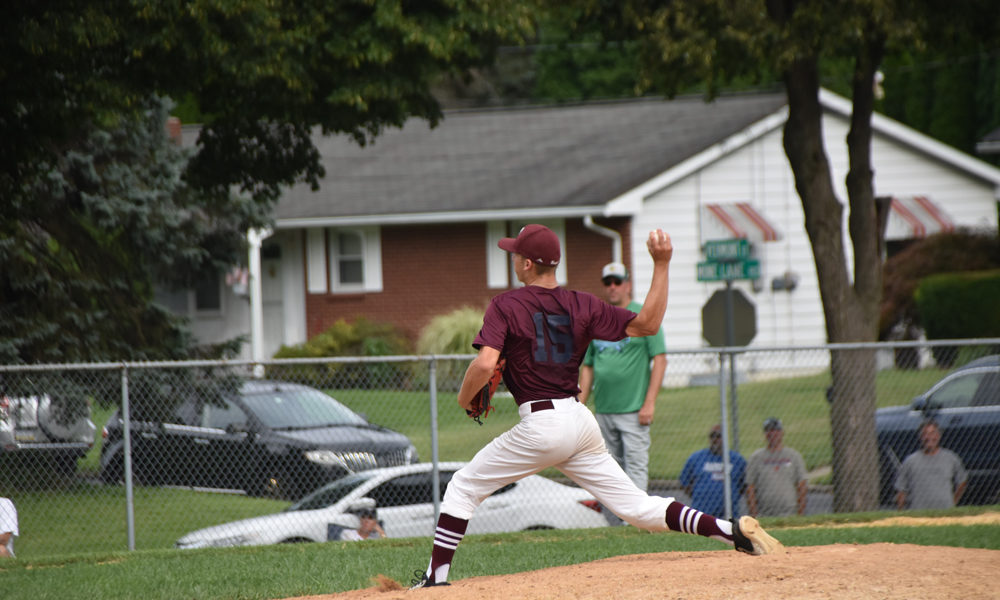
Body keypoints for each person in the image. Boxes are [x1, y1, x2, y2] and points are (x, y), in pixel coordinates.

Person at [409, 224, 783, 590]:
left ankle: (435, 580)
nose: (514, 259)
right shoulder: (583, 303)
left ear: (526, 264)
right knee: (637, 507)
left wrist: (463, 398)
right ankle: (731, 530)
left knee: (462, 486)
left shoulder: (505, 304)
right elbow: (649, 324)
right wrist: (662, 263)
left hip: (542, 424)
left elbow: (486, 364)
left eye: (516, 254)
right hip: (579, 421)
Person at [579, 261, 667, 498]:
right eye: (608, 283)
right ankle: (618, 523)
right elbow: (588, 366)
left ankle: (638, 522)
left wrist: (649, 403)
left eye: (618, 281)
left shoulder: (643, 315)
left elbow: (660, 360)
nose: (613, 287)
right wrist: (579, 405)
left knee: (636, 467)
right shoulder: (597, 319)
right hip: (604, 410)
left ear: (628, 284)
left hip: (634, 409)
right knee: (611, 470)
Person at [895, 420, 967, 510]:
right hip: (918, 513)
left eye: (933, 433)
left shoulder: (950, 458)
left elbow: (962, 481)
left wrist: (953, 502)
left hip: (945, 512)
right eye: (925, 434)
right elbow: (901, 489)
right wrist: (901, 512)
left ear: (939, 436)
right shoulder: (910, 461)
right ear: (920, 437)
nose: (929, 437)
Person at [680, 425, 747, 518]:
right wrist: (699, 495)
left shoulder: (737, 460)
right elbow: (684, 483)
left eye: (718, 436)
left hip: (729, 514)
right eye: (712, 436)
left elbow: (743, 485)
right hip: (701, 513)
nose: (715, 439)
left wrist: (733, 495)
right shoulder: (696, 458)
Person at [745, 417, 807, 517]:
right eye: (769, 430)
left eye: (776, 430)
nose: (772, 434)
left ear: (782, 432)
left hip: (790, 512)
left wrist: (800, 513)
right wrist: (754, 514)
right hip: (764, 513)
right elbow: (750, 487)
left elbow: (802, 485)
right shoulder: (756, 457)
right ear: (765, 434)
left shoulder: (794, 456)